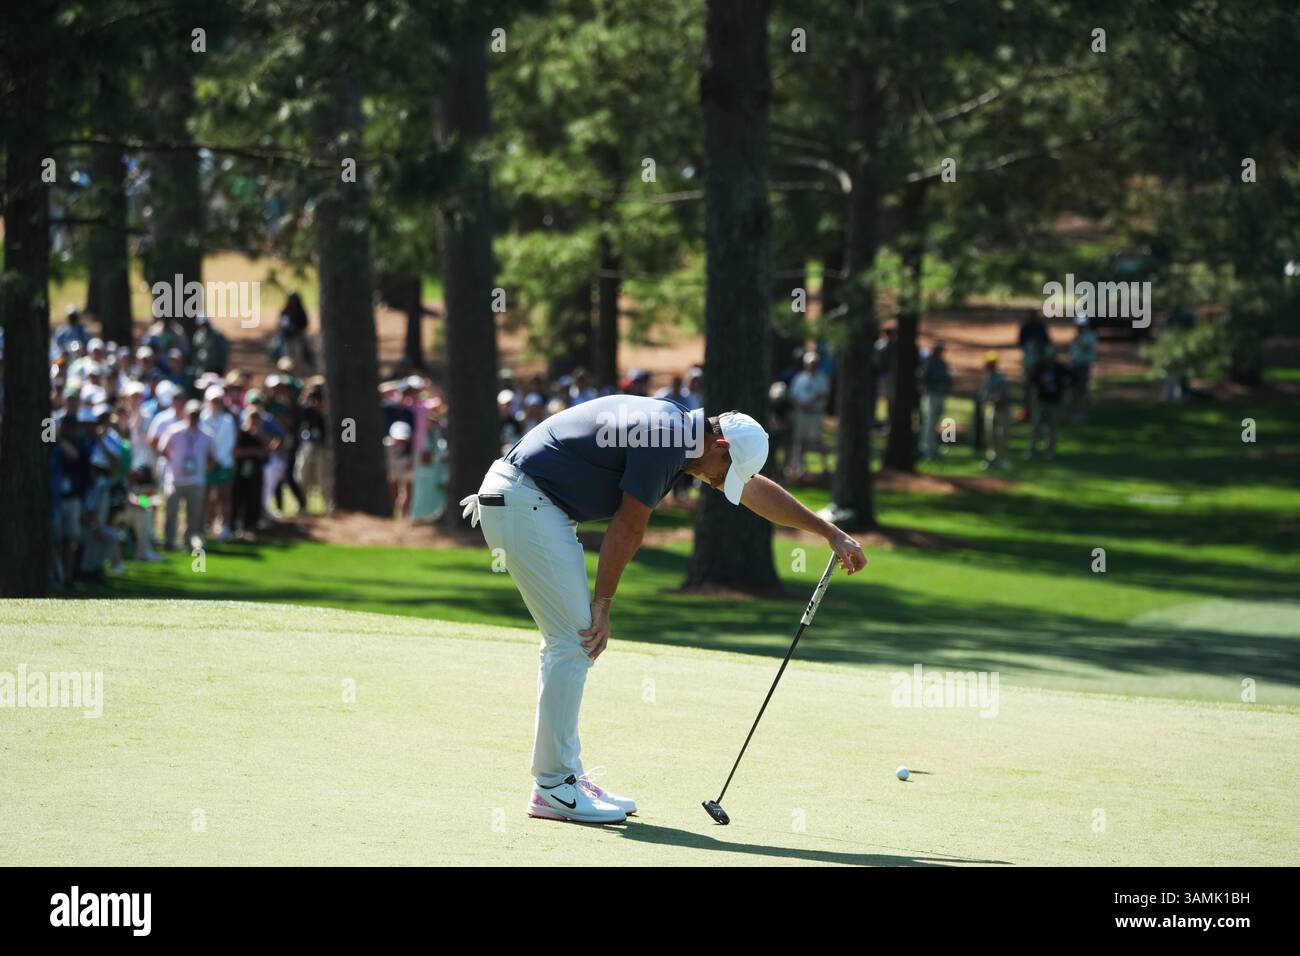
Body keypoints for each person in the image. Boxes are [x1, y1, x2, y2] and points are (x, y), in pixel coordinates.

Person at [458, 395, 867, 824]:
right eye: (722, 474)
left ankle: (565, 778)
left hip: (526, 500)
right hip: (525, 502)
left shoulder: (682, 429)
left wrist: (829, 532)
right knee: (577, 639)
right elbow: (629, 526)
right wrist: (603, 605)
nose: (716, 484)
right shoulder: (667, 439)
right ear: (721, 447)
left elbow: (753, 490)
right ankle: (554, 786)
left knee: (569, 642)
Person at [159, 399, 215, 550]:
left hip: (196, 480)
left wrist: (202, 469)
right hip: (175, 479)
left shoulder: (206, 434)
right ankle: (169, 542)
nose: (194, 418)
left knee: (194, 515)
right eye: (191, 414)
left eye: (196, 414)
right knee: (171, 512)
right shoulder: (174, 431)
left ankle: (189, 541)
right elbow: (162, 448)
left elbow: (211, 457)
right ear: (185, 414)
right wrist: (174, 462)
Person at [788, 351, 830, 479]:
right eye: (810, 363)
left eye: (814, 363)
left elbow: (824, 394)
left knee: (818, 441)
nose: (812, 366)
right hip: (802, 414)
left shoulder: (822, 378)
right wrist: (801, 404)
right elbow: (793, 395)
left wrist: (812, 402)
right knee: (800, 442)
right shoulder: (799, 378)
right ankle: (801, 468)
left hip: (815, 414)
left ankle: (825, 468)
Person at [232, 409, 271, 539]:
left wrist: (259, 435)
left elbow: (267, 450)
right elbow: (236, 452)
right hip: (241, 473)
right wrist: (254, 452)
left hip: (256, 472)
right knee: (238, 500)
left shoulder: (261, 435)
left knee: (254, 499)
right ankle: (236, 526)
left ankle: (251, 526)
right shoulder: (241, 433)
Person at [1027, 345, 1067, 460]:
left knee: (1052, 428)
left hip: (1054, 402)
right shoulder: (1040, 367)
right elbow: (1032, 381)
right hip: (1041, 401)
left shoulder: (1060, 368)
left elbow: (1071, 377)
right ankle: (1032, 450)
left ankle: (1050, 451)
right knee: (1036, 426)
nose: (1050, 359)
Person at [978, 352, 1012, 470]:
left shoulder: (1000, 378)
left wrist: (997, 397)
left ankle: (1002, 459)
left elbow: (1005, 394)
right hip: (991, 409)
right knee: (990, 436)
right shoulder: (987, 378)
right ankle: (992, 458)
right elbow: (983, 394)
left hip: (1002, 410)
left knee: (1001, 435)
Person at [920, 341, 953, 459]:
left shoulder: (943, 364)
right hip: (931, 395)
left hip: (940, 395)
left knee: (936, 423)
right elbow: (924, 379)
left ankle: (933, 448)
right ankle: (926, 449)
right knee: (929, 423)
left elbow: (949, 379)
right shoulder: (929, 363)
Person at [1018, 310, 1050, 422]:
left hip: (1040, 364)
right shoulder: (1025, 327)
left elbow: (1047, 343)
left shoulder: (1041, 328)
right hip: (1028, 363)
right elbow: (1020, 343)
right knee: (1026, 389)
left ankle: (1039, 413)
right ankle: (1026, 412)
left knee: (1038, 389)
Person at [1068, 315, 1099, 423]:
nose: (1079, 327)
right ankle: (1074, 411)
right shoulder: (1077, 336)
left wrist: (1080, 340)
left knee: (1082, 389)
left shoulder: (1090, 335)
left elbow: (1089, 348)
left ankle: (1082, 412)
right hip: (1075, 364)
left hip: (1084, 364)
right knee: (1074, 390)